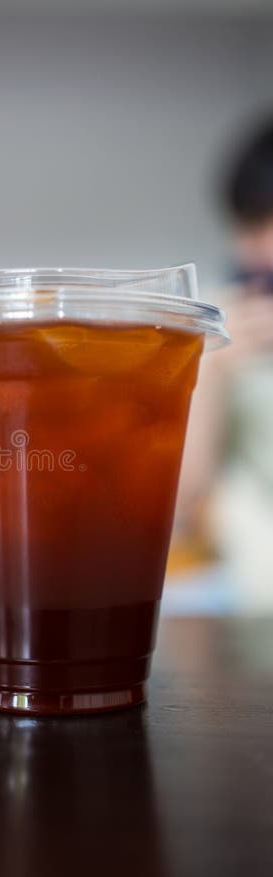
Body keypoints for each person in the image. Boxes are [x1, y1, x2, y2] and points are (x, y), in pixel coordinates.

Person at [175, 117, 273, 608]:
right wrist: (213, 367)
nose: (252, 247)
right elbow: (185, 499)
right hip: (255, 597)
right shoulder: (221, 316)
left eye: (266, 223)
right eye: (246, 226)